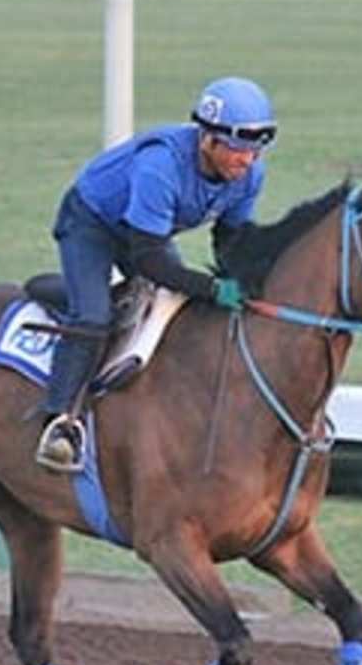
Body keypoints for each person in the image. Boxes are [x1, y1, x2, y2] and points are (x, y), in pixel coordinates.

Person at [35, 76, 278, 473]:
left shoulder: (250, 175)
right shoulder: (160, 167)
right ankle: (59, 422)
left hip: (146, 229)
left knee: (177, 310)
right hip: (92, 222)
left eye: (255, 149)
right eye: (237, 148)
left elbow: (230, 238)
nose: (246, 160)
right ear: (207, 138)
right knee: (95, 318)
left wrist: (244, 283)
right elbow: (151, 262)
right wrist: (214, 289)